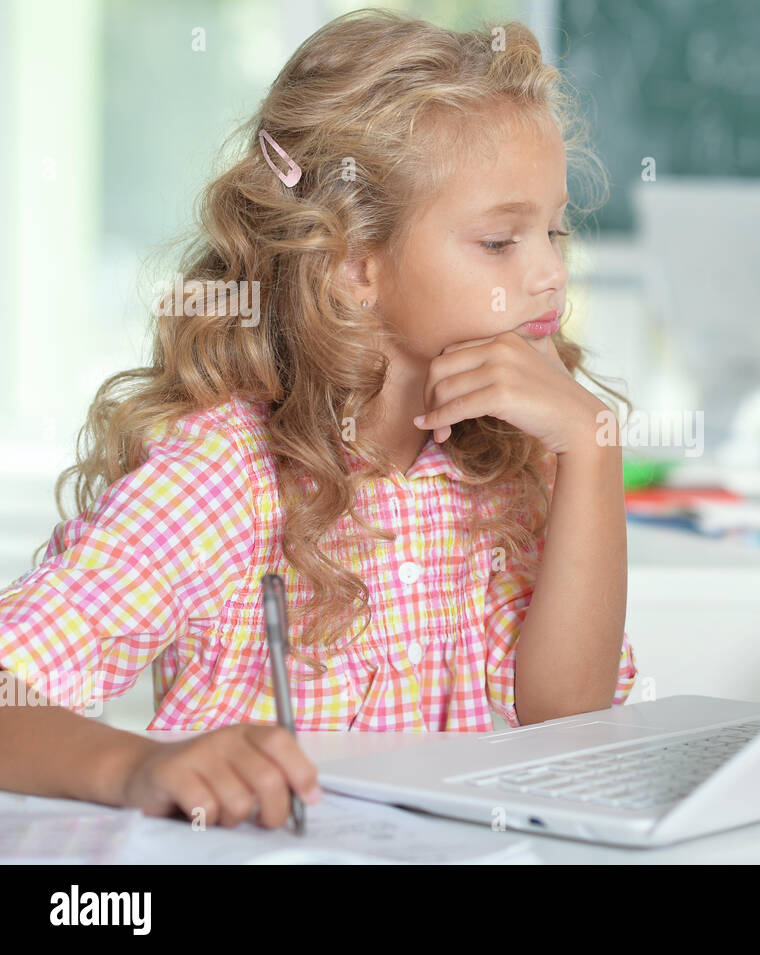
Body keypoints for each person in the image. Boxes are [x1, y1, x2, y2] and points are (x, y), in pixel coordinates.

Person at [0, 11, 635, 829]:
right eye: (499, 241)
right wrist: (139, 767)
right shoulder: (223, 475)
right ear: (354, 266)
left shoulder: (516, 452)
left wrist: (593, 448)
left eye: (554, 229)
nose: (552, 271)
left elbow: (567, 718)